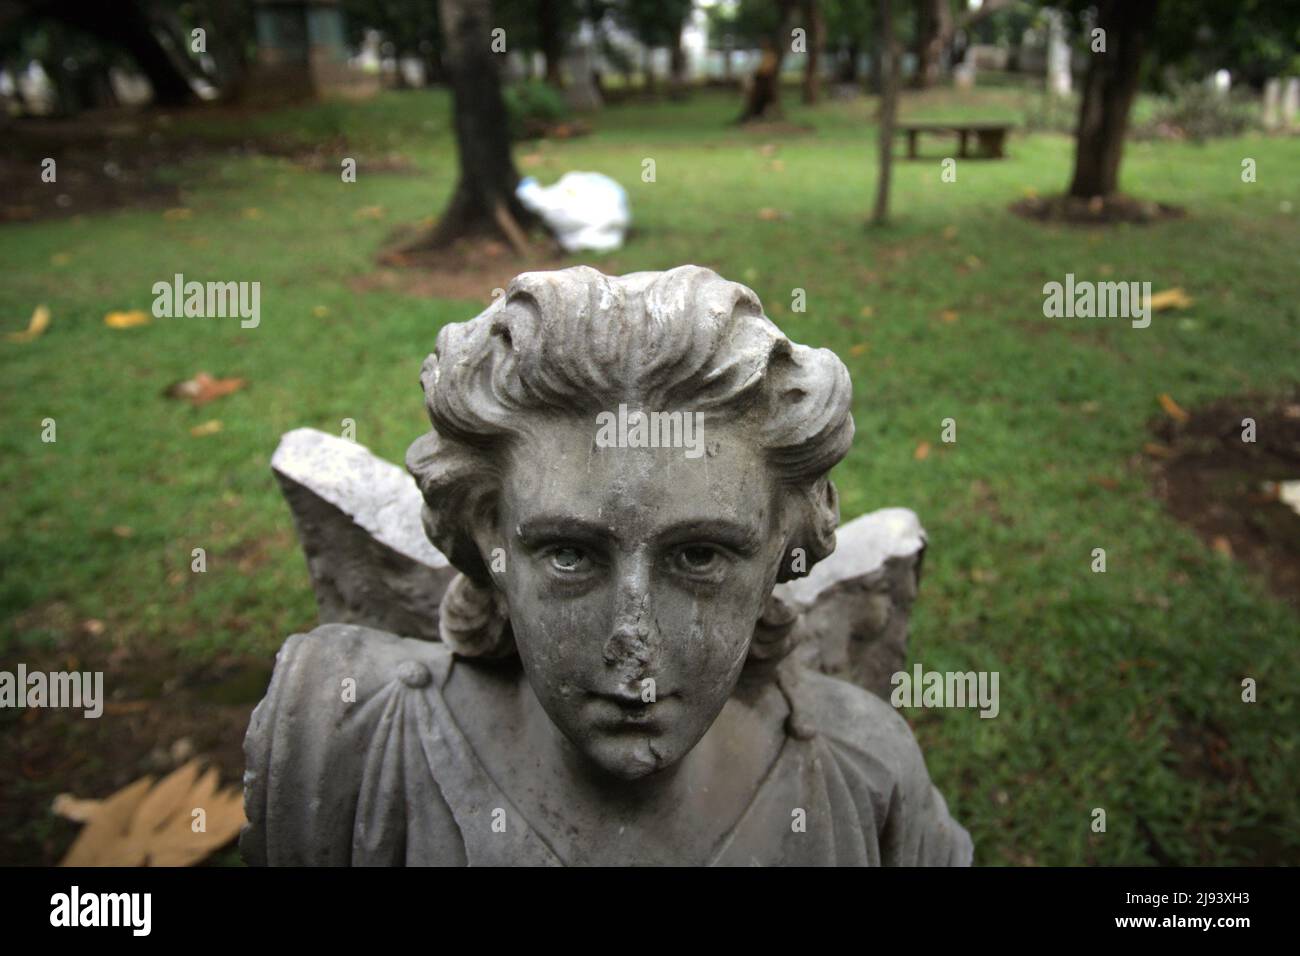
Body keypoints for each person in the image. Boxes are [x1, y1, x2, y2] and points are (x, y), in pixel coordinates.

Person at [242, 265, 973, 866]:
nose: (635, 645)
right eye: (569, 554)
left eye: (698, 556)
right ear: (488, 535)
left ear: (784, 547)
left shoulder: (863, 776)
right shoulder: (340, 739)